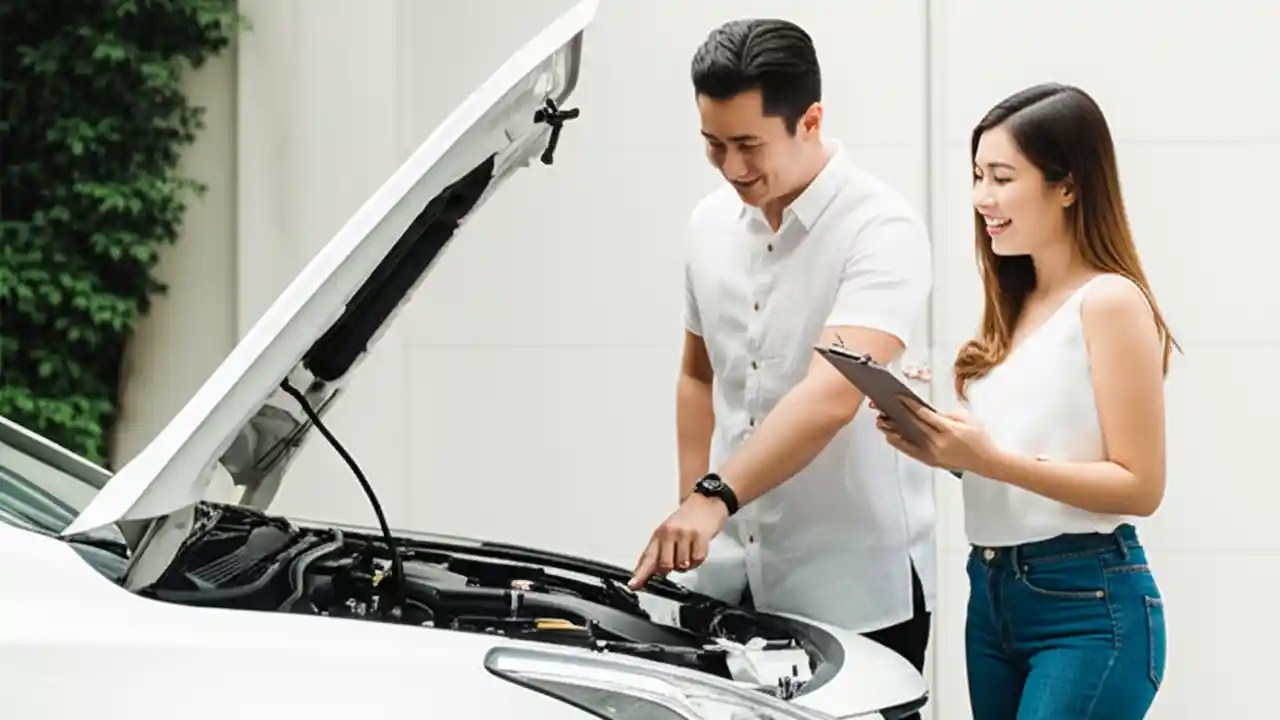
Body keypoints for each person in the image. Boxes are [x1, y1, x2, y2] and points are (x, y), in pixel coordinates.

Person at [625, 17, 937, 677]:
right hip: (727, 580)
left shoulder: (882, 229)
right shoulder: (707, 226)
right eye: (713, 145)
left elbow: (830, 396)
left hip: (854, 588)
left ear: (811, 120)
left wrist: (713, 497)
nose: (732, 168)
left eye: (748, 144)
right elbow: (697, 376)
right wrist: (694, 506)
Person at [875, 82, 1174, 718]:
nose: (983, 197)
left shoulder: (1111, 302)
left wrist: (988, 461)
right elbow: (1022, 453)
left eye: (1003, 177)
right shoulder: (1015, 306)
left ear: (1067, 185)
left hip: (1088, 604)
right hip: (991, 597)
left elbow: (1140, 485)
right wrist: (943, 446)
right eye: (978, 175)